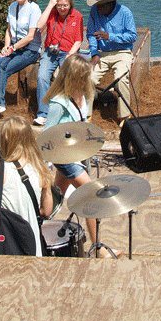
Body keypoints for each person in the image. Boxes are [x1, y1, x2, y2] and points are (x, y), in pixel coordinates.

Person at [41, 55, 108, 254]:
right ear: (75, 77)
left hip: (77, 154)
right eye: (85, 75)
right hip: (65, 158)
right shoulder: (58, 103)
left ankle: (34, 224)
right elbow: (47, 135)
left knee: (53, 200)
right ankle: (98, 248)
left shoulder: (83, 96)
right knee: (92, 194)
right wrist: (46, 165)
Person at [0, 115, 54, 257]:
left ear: (5, 140)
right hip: (31, 243)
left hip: (7, 241)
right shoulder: (40, 168)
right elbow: (46, 211)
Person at [86, 0, 138, 123]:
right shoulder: (94, 12)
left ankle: (124, 116)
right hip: (102, 54)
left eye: (100, 6)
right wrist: (94, 53)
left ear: (110, 4)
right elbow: (91, 34)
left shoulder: (125, 13)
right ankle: (85, 114)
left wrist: (110, 36)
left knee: (120, 79)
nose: (97, 8)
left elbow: (132, 36)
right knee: (88, 78)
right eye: (97, 5)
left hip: (122, 52)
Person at [33, 0, 85, 126]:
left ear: (70, 5)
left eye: (65, 5)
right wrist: (50, 6)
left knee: (68, 78)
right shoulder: (52, 12)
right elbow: (39, 25)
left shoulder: (77, 16)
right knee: (42, 76)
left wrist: (70, 55)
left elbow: (79, 40)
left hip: (68, 52)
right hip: (51, 52)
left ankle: (70, 112)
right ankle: (43, 114)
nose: (62, 8)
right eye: (60, 5)